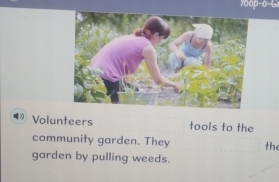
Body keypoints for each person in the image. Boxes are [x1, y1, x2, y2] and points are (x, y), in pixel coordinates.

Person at [90, 16, 180, 103]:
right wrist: (175, 85)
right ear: (156, 35)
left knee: (131, 89)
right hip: (105, 80)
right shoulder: (148, 48)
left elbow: (125, 74)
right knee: (137, 94)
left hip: (92, 75)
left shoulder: (133, 37)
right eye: (161, 39)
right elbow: (158, 80)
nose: (160, 42)